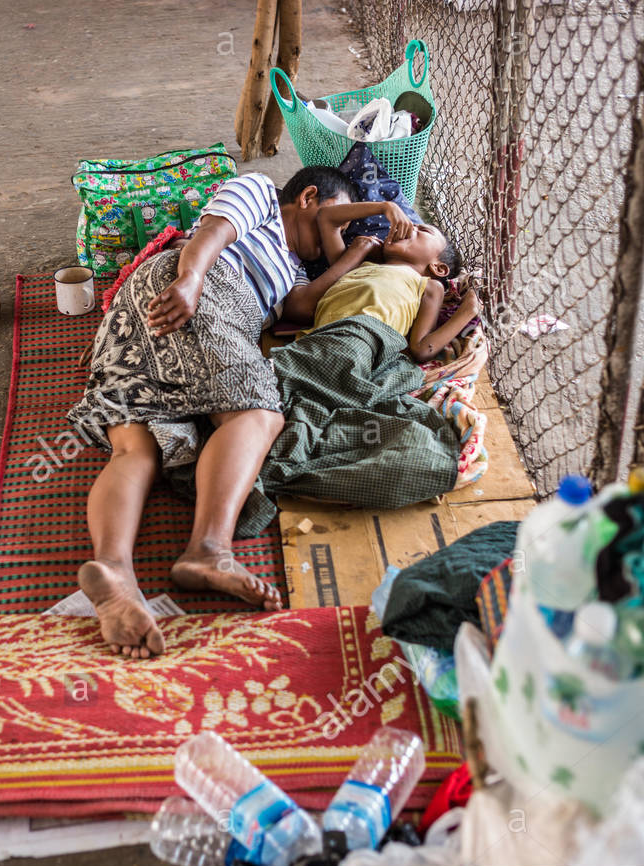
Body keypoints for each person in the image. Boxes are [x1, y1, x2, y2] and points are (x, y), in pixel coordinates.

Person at [67, 167, 413, 657]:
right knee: (258, 412)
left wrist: (356, 253)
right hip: (198, 287)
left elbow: (302, 306)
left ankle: (114, 572)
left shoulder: (291, 265)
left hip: (135, 317)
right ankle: (208, 549)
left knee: (137, 447)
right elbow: (213, 233)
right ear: (309, 197)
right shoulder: (260, 195)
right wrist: (190, 279)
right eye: (335, 221)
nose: (337, 234)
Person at [303, 222, 480, 362]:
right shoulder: (365, 266)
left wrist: (467, 311)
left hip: (360, 345)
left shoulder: (428, 285)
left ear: (438, 268)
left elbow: (422, 348)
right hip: (316, 341)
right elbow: (327, 218)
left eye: (422, 230)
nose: (409, 226)